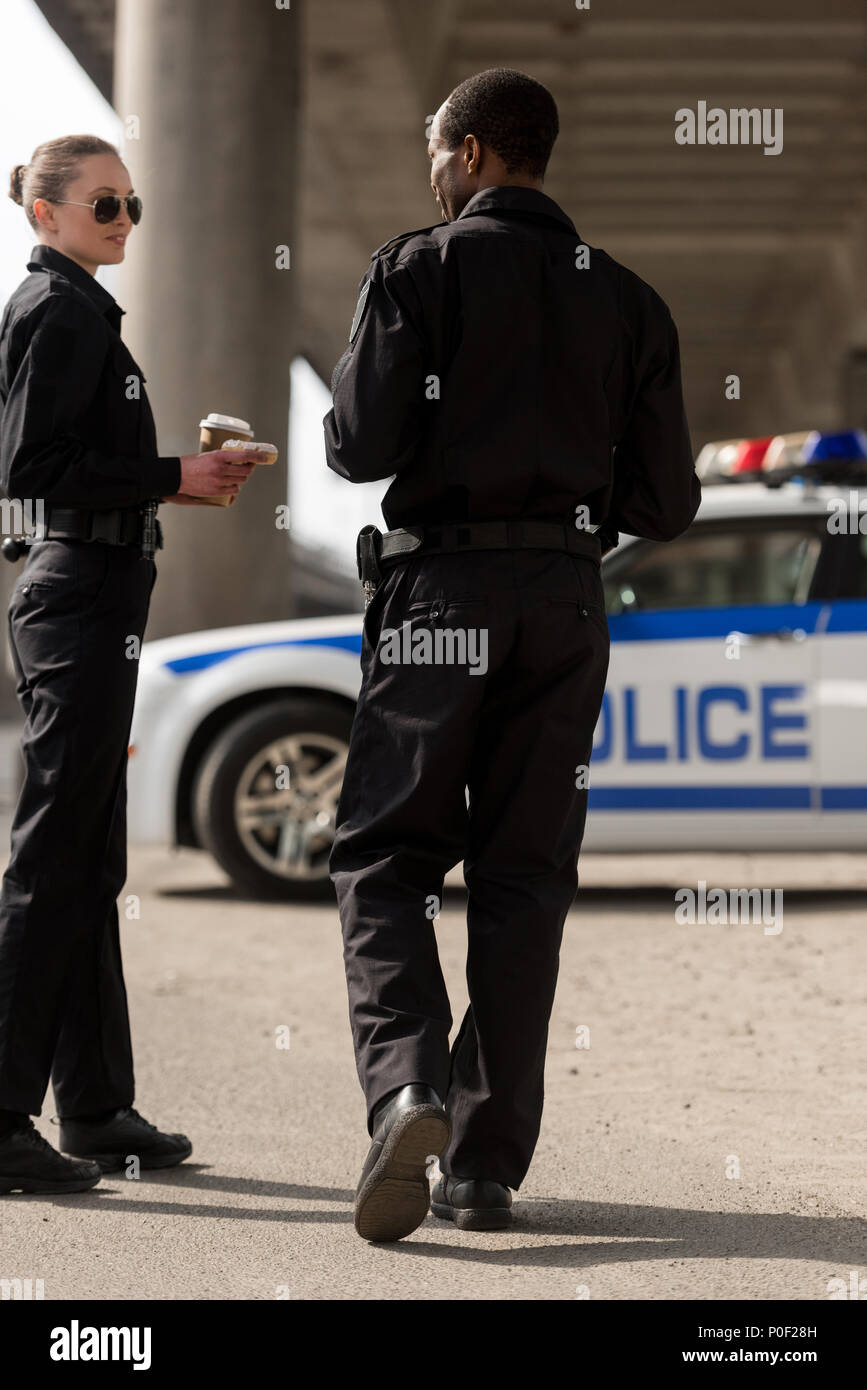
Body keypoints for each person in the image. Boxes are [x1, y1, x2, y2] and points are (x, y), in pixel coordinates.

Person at [324, 69, 701, 1242]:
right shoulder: (630, 301)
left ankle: (407, 1088)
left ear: (476, 151)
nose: (429, 172)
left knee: (386, 856)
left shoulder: (416, 268)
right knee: (525, 877)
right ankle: (485, 1168)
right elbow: (669, 498)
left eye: (436, 150)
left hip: (441, 589)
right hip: (565, 600)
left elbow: (355, 445)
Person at [0, 135, 261, 1194]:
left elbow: (77, 468)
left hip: (100, 590)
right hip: (75, 594)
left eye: (132, 205)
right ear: (44, 213)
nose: (122, 221)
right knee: (52, 853)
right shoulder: (55, 311)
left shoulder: (84, 312)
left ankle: (97, 1108)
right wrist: (171, 470)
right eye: (103, 203)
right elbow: (27, 466)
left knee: (89, 854)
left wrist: (179, 484)